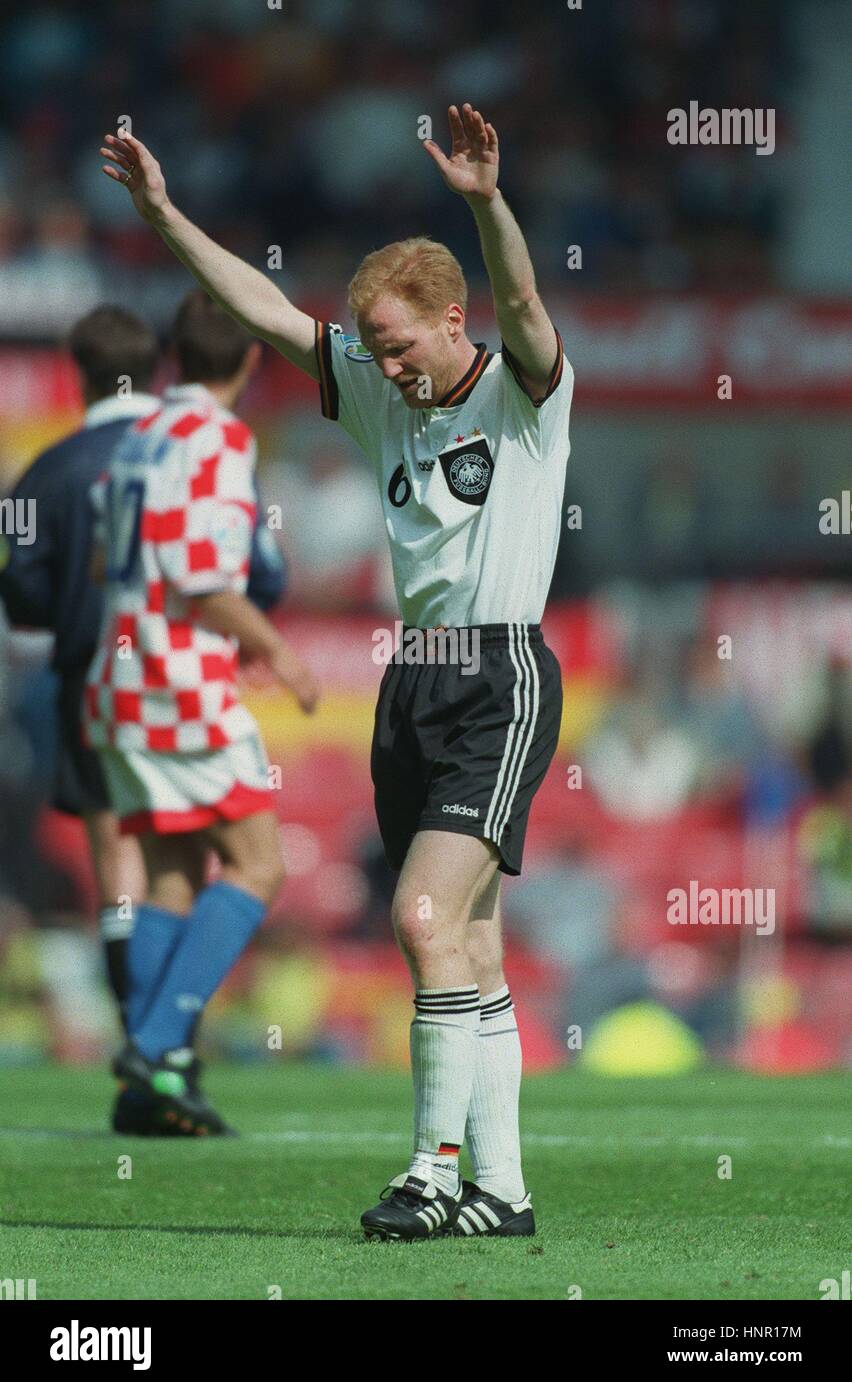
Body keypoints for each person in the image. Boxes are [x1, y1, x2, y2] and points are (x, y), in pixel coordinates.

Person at [100, 102, 572, 1233]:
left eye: (405, 346)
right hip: (412, 681)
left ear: (454, 322)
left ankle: (429, 1171)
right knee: (464, 938)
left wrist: (487, 203)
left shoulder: (522, 396)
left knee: (419, 914)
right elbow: (260, 308)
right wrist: (164, 216)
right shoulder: (376, 389)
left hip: (500, 677)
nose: (392, 368)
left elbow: (523, 300)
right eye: (380, 350)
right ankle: (501, 1195)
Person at [0, 304, 288, 1134]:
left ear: (80, 371)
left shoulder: (51, 468)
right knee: (204, 868)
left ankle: (147, 1063)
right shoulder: (195, 446)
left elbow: (17, 586)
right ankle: (159, 1059)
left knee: (125, 876)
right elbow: (256, 571)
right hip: (181, 680)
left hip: (91, 685)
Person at [84, 289, 319, 1136]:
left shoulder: (136, 435)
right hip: (181, 684)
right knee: (259, 866)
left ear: (174, 358)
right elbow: (204, 580)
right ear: (253, 359)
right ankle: (152, 1042)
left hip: (118, 684)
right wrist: (282, 655)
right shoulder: (219, 440)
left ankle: (150, 1087)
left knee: (176, 873)